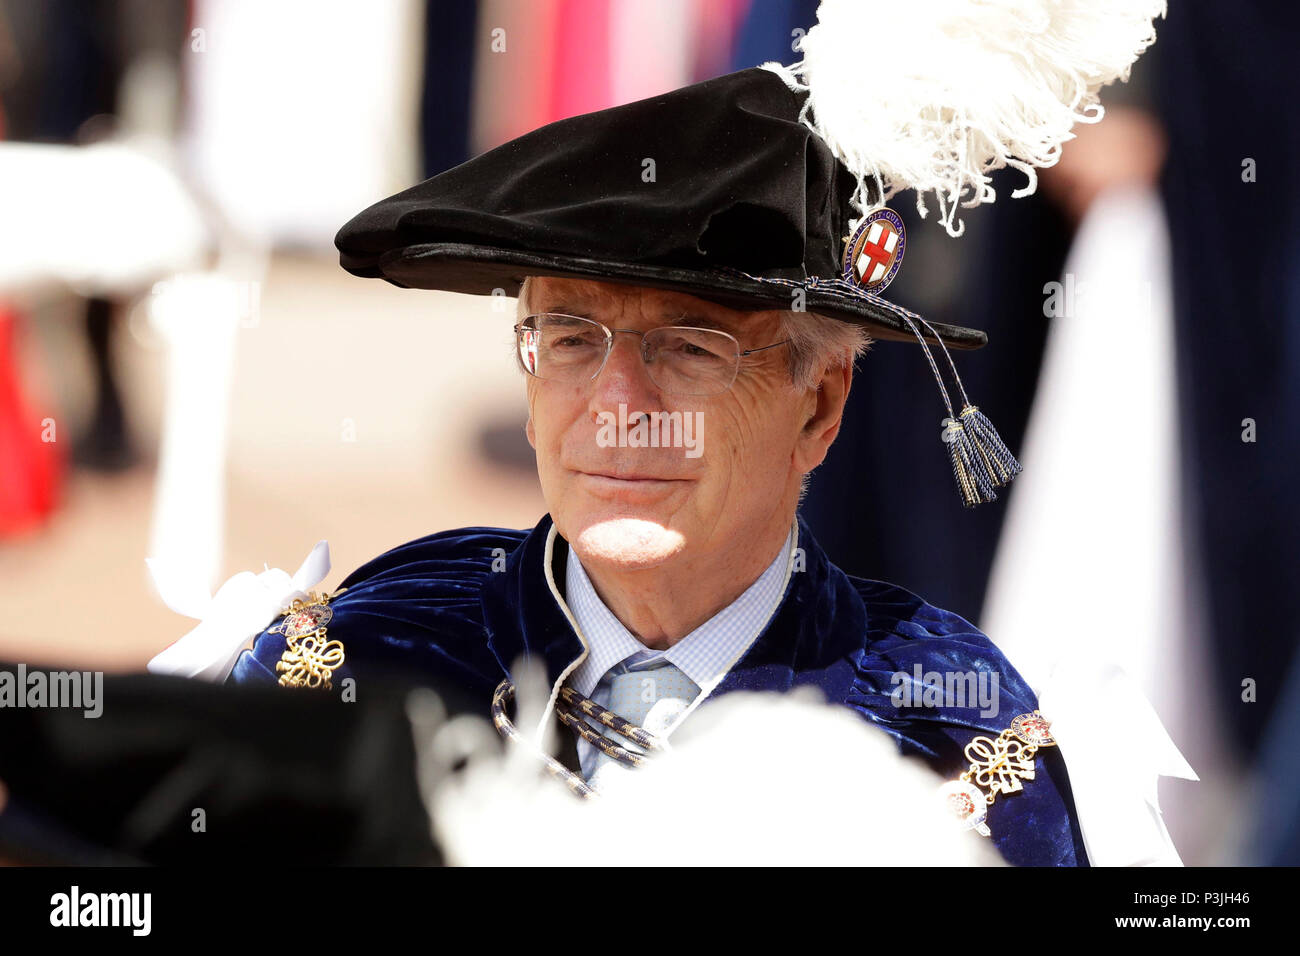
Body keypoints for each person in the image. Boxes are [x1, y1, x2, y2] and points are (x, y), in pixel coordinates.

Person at [149, 1, 1180, 866]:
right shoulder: (361, 652)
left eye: (690, 347)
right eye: (567, 337)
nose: (616, 403)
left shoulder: (953, 730)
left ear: (817, 407)